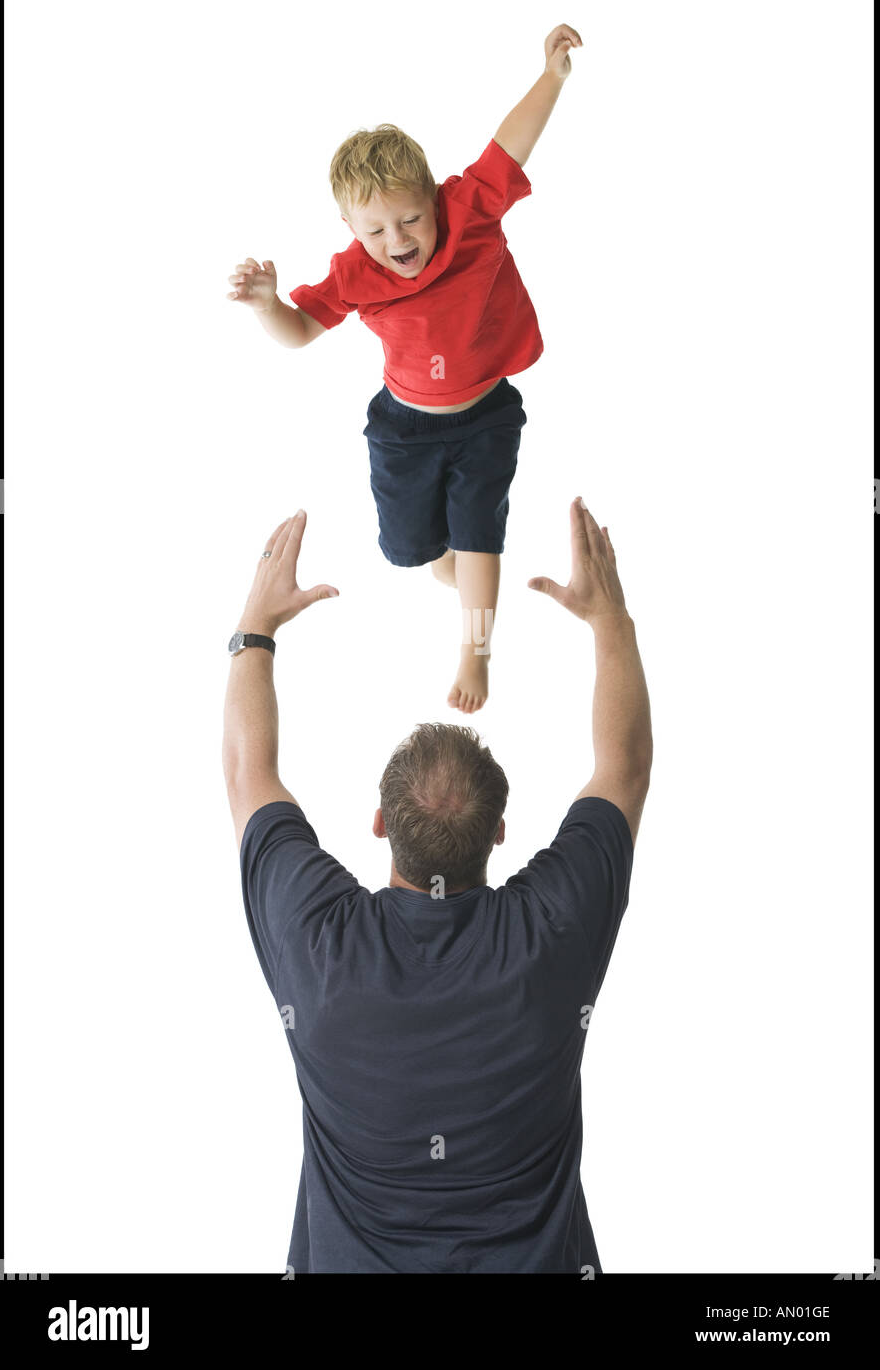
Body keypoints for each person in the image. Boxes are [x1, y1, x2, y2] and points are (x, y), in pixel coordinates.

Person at [222, 498, 652, 1274]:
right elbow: (623, 768)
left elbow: (249, 774)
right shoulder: (550, 936)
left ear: (380, 824)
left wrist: (256, 628)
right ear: (498, 831)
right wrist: (608, 620)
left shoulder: (322, 946)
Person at [226, 23, 583, 714]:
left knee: (479, 539)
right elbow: (299, 332)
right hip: (403, 430)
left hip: (486, 416)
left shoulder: (470, 209)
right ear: (350, 228)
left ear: (433, 197)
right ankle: (458, 568)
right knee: (413, 552)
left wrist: (552, 76)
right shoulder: (354, 273)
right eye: (377, 230)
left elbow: (512, 141)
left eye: (412, 219)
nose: (399, 240)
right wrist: (268, 305)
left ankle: (476, 649)